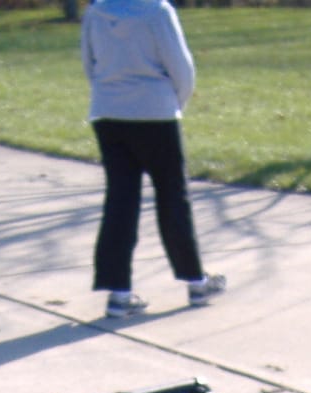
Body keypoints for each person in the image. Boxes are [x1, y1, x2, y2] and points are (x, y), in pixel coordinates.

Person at [81, 0, 225, 319]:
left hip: (108, 112)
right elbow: (181, 68)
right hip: (155, 112)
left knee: (120, 200)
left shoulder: (95, 12)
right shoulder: (158, 12)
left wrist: (111, 93)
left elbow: (89, 65)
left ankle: (118, 292)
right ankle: (195, 281)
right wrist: (174, 104)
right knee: (173, 196)